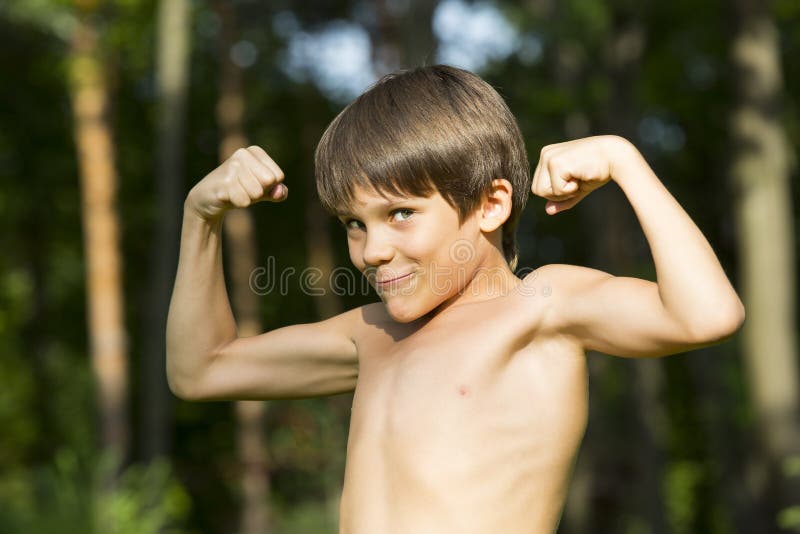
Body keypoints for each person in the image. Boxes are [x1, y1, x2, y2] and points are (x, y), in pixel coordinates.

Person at [166, 64, 745, 533]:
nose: (372, 251)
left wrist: (623, 161)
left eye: (401, 214)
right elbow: (201, 370)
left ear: (491, 205)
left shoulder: (541, 308)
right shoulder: (371, 334)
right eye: (354, 224)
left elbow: (708, 315)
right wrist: (200, 218)